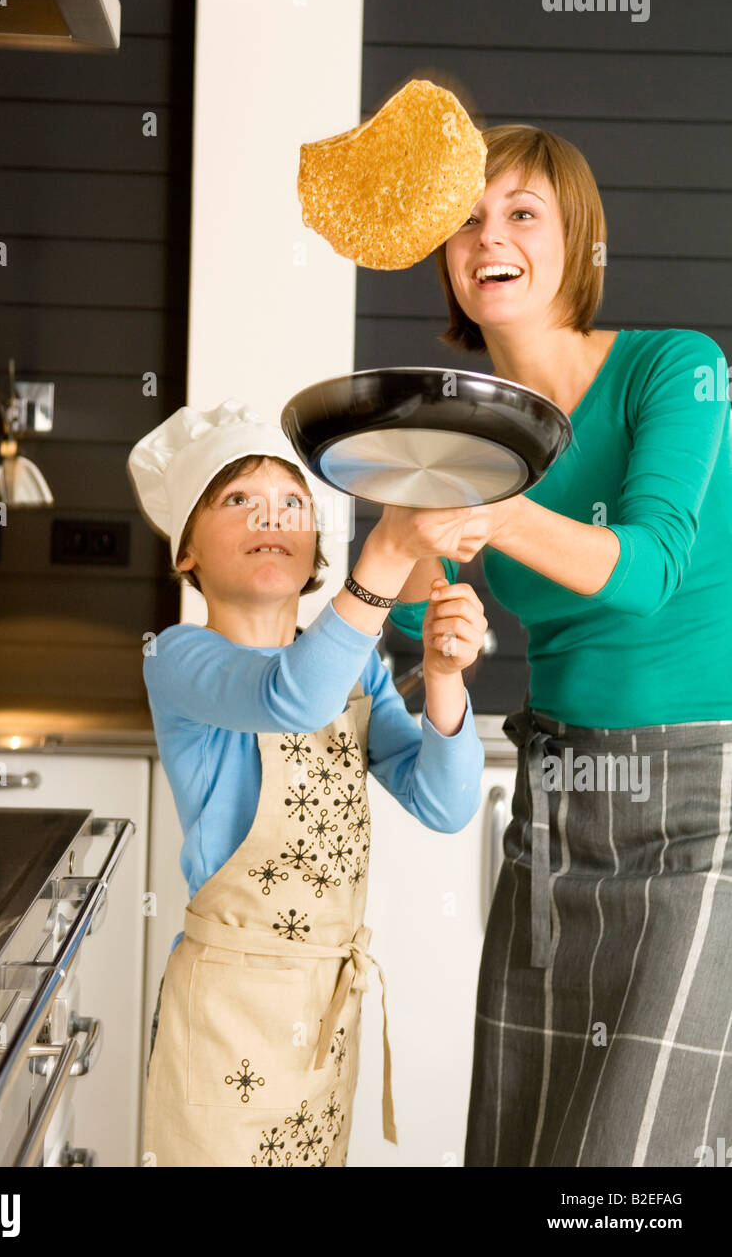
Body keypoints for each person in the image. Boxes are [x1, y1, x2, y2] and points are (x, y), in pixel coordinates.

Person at [387, 123, 732, 1167]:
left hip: (701, 809)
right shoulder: (455, 427)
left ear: (578, 242)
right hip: (555, 809)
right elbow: (413, 625)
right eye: (463, 218)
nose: (488, 234)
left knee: (632, 1161)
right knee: (522, 1150)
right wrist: (404, 519)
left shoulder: (675, 370)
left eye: (520, 212)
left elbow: (644, 569)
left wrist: (477, 495)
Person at [126, 399, 487, 1167]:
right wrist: (387, 555)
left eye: (293, 502)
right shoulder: (180, 658)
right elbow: (287, 698)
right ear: (185, 552)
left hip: (325, 1012)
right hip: (227, 1012)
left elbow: (445, 804)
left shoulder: (352, 662)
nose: (272, 515)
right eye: (237, 500)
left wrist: (446, 678)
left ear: (315, 544)